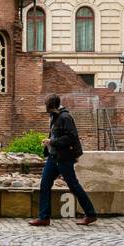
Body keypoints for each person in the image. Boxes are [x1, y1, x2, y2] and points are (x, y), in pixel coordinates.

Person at [30, 95, 97, 227]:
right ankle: (44, 218)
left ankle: (91, 214)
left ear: (52, 106)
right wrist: (49, 143)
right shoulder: (54, 116)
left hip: (64, 158)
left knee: (73, 186)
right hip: (53, 157)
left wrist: (52, 142)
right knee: (44, 184)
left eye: (47, 106)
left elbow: (71, 137)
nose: (46, 109)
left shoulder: (65, 117)